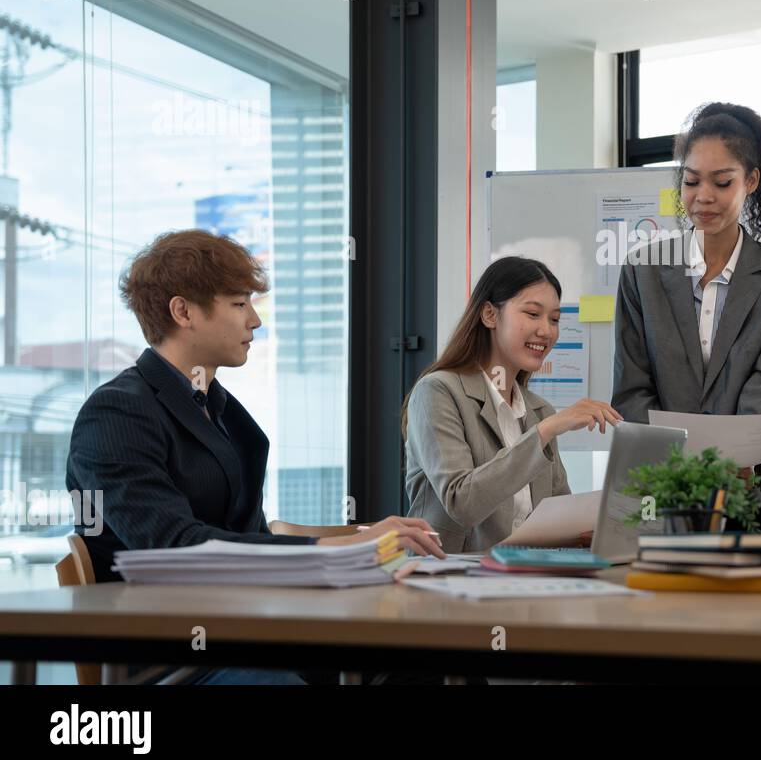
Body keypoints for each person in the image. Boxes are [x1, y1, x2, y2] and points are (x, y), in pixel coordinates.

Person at [67, 230, 441, 684]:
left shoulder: (223, 412)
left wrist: (364, 562)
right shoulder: (117, 411)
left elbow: (248, 536)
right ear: (183, 311)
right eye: (240, 303)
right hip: (172, 655)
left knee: (417, 660)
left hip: (241, 627)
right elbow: (176, 547)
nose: (256, 321)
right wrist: (345, 548)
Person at [612, 102, 761, 532]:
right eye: (690, 181)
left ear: (751, 181)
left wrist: (735, 460)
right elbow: (632, 388)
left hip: (748, 488)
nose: (703, 197)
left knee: (744, 600)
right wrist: (680, 469)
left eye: (722, 183)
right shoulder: (641, 270)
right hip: (663, 488)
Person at [404, 256, 621, 551]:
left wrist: (597, 528)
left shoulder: (539, 410)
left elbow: (557, 516)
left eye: (555, 319)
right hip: (451, 578)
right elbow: (461, 502)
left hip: (522, 579)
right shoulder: (438, 392)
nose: (546, 331)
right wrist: (544, 432)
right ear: (490, 315)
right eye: (533, 314)